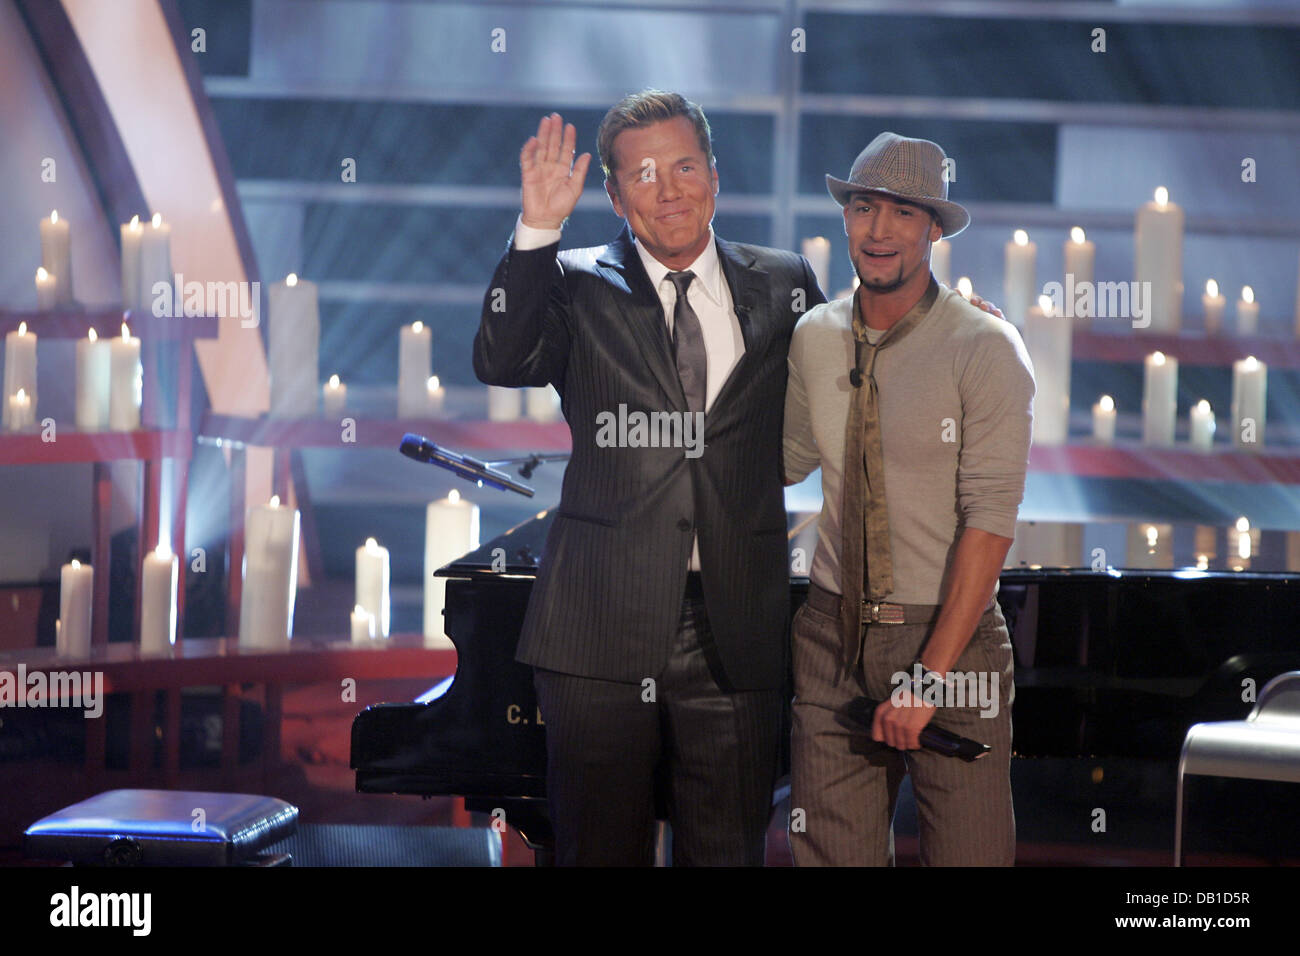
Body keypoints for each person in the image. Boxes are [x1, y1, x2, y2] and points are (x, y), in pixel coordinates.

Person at [474, 90, 826, 865]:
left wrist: (960, 323)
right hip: (597, 628)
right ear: (613, 195)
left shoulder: (786, 282)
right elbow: (501, 359)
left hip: (736, 628)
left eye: (684, 166)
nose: (668, 189)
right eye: (642, 174)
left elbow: (853, 384)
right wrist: (538, 226)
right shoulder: (572, 281)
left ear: (714, 175)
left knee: (727, 853)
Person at [783, 132, 1035, 866]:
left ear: (933, 227)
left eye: (902, 211)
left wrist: (929, 676)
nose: (879, 229)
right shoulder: (812, 337)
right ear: (845, 217)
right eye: (864, 206)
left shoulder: (985, 347)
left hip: (950, 641)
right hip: (830, 632)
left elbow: (990, 524)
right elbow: (780, 461)